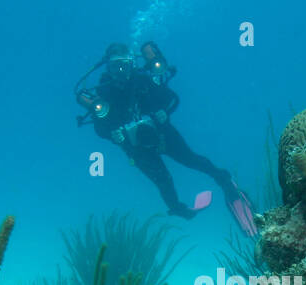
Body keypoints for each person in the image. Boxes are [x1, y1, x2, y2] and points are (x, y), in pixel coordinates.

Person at [76, 42, 257, 235]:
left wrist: (163, 112)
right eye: (115, 67)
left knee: (191, 159)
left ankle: (226, 182)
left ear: (132, 64)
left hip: (161, 132)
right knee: (163, 180)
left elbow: (171, 98)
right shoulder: (104, 93)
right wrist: (113, 135)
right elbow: (100, 128)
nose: (120, 71)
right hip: (135, 146)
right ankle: (178, 208)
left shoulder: (143, 80)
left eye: (124, 65)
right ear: (108, 68)